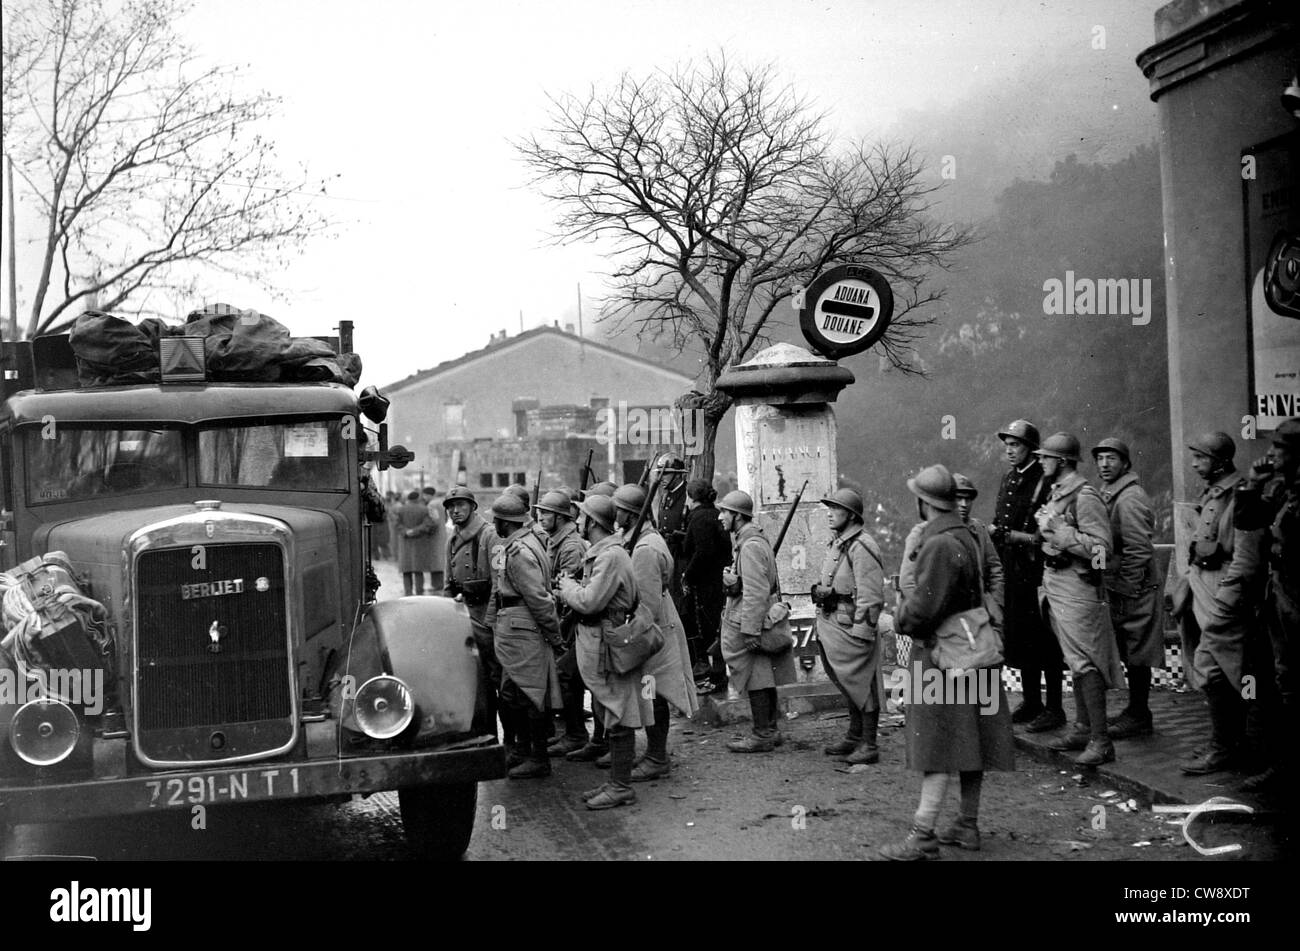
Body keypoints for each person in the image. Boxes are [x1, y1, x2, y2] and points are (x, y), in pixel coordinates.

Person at [880, 465, 1015, 860]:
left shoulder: (936, 543)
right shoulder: (969, 535)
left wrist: (902, 615)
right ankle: (967, 824)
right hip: (976, 646)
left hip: (940, 655)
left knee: (935, 743)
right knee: (973, 738)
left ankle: (923, 834)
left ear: (923, 502)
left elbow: (922, 608)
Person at [1167, 432, 1262, 775]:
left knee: (1224, 668)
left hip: (1223, 588)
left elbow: (1243, 555)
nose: (1194, 464)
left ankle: (1230, 747)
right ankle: (1226, 743)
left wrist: (1226, 599)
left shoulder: (1238, 495)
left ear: (1220, 460)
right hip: (1203, 585)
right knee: (1212, 667)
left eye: (1201, 458)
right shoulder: (1215, 492)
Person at [1035, 433, 1124, 767]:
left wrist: (1061, 532)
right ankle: (1083, 728)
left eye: (1046, 457)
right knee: (1074, 659)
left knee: (1086, 663)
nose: (1041, 461)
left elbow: (1102, 551)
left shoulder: (1084, 496)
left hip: (1079, 588)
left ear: (1062, 461)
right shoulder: (1059, 492)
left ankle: (1101, 742)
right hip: (1057, 585)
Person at [557, 494, 647, 809]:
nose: (577, 520)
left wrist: (567, 588)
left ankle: (621, 786)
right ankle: (615, 782)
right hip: (601, 639)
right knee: (611, 710)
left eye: (581, 516)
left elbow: (589, 602)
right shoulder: (606, 553)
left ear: (593, 521)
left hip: (607, 641)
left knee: (618, 711)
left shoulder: (609, 556)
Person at [612, 483, 699, 780]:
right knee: (651, 692)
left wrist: (627, 638)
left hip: (653, 629)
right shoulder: (641, 540)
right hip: (655, 623)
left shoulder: (646, 549)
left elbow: (645, 604)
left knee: (653, 692)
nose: (615, 515)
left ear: (632, 514)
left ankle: (657, 756)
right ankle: (653, 753)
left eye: (620, 511)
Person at [1233, 417, 1300, 796]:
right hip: (1282, 597)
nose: (1270, 453)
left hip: (1295, 596)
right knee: (1283, 685)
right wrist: (1254, 486)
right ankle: (1283, 767)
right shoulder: (1280, 488)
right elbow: (1249, 521)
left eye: (1279, 448)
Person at [990, 419, 1064, 732]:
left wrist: (1007, 534)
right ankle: (1032, 701)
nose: (1009, 450)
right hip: (1013, 570)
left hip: (1037, 571)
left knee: (1045, 641)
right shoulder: (1009, 479)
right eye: (1007, 445)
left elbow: (1043, 534)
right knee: (1021, 638)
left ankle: (1054, 708)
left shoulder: (1042, 481)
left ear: (1031, 448)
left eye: (1015, 445)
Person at [484, 493, 563, 779]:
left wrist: (554, 634)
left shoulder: (519, 552)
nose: (493, 524)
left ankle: (539, 758)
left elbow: (538, 599)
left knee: (531, 694)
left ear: (506, 522)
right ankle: (524, 750)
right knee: (514, 693)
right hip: (514, 628)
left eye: (497, 520)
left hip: (522, 630)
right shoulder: (520, 544)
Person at [1090, 438, 1165, 739]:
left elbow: (1138, 549)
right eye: (1100, 458)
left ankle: (1139, 713)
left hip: (1135, 587)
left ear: (1125, 463)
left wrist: (1127, 589)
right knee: (1130, 649)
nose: (1104, 464)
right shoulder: (1112, 494)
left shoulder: (1130, 498)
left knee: (1137, 652)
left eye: (1111, 458)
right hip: (1123, 585)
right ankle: (1136, 710)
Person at [717, 490, 797, 752]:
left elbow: (755, 592)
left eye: (725, 512)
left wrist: (750, 632)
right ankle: (769, 731)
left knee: (756, 675)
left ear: (738, 516)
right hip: (759, 617)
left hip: (754, 619)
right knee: (762, 674)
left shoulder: (750, 546)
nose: (720, 517)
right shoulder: (750, 541)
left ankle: (763, 734)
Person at [812, 487, 887, 765]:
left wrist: (863, 632)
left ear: (852, 515)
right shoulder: (839, 543)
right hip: (834, 622)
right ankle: (855, 736)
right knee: (847, 682)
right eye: (829, 508)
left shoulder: (862, 546)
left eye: (836, 509)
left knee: (862, 683)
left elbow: (871, 595)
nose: (830, 514)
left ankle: (869, 743)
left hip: (851, 626)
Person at [534, 489, 591, 756]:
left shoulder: (570, 546)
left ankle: (577, 734)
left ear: (559, 516)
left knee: (568, 676)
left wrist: (545, 594)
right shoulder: (555, 540)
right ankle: (574, 733)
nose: (540, 516)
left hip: (570, 619)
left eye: (546, 513)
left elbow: (569, 588)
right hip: (561, 617)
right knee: (566, 676)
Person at [442, 486, 500, 743]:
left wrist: (489, 622)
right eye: (451, 506)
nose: (455, 511)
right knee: (476, 685)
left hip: (486, 618)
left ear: (473, 507)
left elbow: (498, 583)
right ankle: (486, 739)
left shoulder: (488, 535)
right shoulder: (452, 539)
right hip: (465, 618)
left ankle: (509, 743)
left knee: (497, 684)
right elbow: (448, 584)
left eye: (461, 505)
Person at [681, 479, 731, 694]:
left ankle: (717, 678)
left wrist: (687, 576)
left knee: (709, 631)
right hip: (716, 581)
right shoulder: (713, 514)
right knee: (714, 630)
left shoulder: (700, 518)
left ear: (691, 498)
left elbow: (703, 551)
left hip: (706, 584)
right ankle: (715, 676)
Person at [394, 490, 436, 596]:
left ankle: (408, 594)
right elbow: (428, 524)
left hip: (405, 543)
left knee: (406, 570)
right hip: (419, 543)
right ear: (418, 498)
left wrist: (406, 531)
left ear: (408, 499)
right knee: (418, 570)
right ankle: (419, 594)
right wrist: (415, 531)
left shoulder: (401, 509)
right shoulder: (424, 509)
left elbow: (397, 524)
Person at [422, 486, 448, 593]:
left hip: (434, 535)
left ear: (428, 495)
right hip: (442, 533)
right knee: (440, 559)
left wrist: (427, 530)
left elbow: (434, 520)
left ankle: (436, 584)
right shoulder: (441, 503)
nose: (424, 497)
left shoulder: (432, 504)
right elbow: (445, 519)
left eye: (424, 495)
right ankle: (440, 583)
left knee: (434, 560)